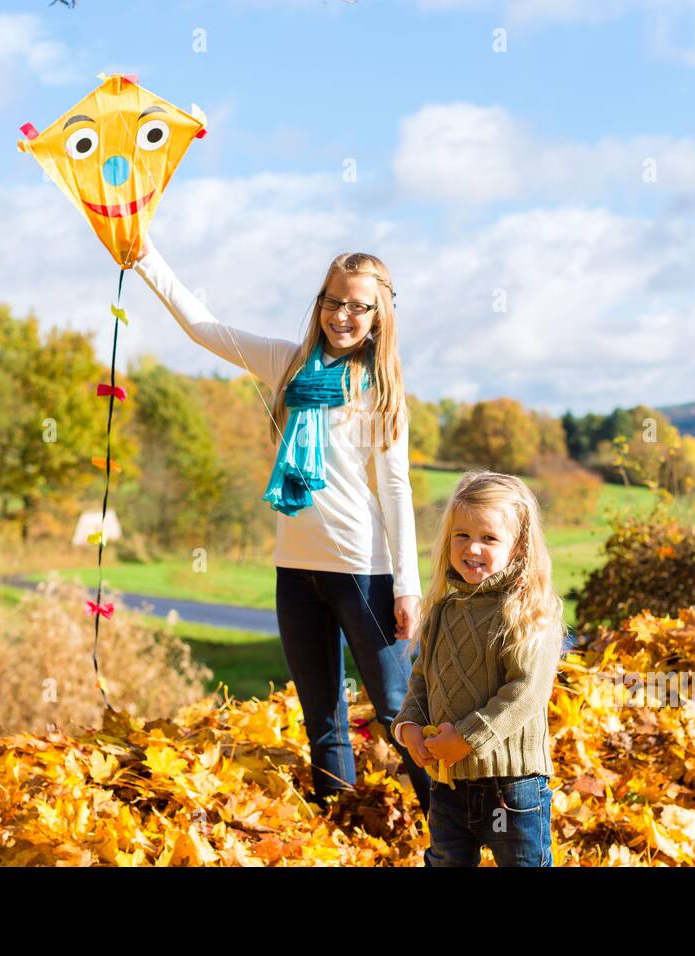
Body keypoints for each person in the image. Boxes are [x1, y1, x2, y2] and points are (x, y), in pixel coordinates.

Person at [130, 235, 431, 816]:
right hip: (295, 570)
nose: (342, 315)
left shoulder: (381, 390)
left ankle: (451, 839)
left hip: (362, 570)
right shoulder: (287, 363)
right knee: (322, 719)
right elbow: (203, 328)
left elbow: (397, 491)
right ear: (320, 302)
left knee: (398, 710)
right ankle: (340, 829)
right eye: (333, 301)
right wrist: (144, 257)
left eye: (358, 306)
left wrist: (408, 587)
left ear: (379, 315)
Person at [391, 471, 563, 866]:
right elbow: (421, 683)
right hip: (449, 785)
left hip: (512, 788)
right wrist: (410, 726)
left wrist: (467, 738)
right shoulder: (443, 612)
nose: (472, 547)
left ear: (519, 547)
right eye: (462, 535)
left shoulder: (527, 612)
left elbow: (526, 692)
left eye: (489, 538)